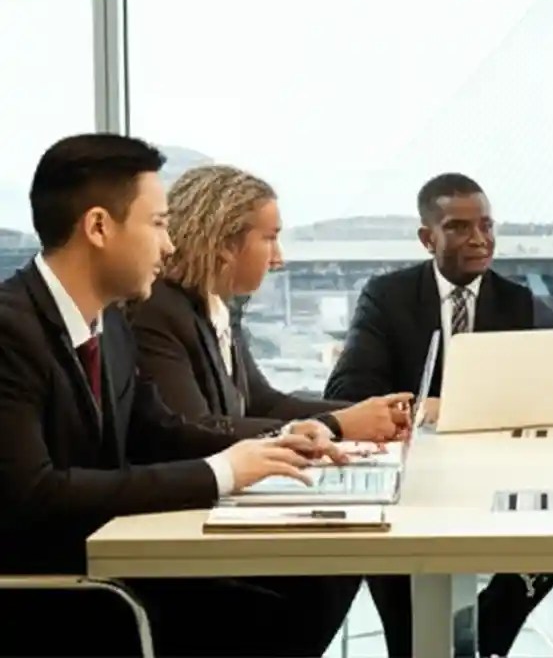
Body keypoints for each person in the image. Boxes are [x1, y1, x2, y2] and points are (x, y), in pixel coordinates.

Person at [0, 133, 355, 657]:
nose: (170, 245)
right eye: (159, 224)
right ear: (98, 226)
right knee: (285, 605)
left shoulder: (111, 325)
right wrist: (221, 472)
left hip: (110, 567)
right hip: (58, 596)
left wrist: (281, 441)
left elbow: (159, 428)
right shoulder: (10, 330)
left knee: (322, 577)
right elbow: (34, 494)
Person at [324, 173, 553, 658]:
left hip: (495, 471)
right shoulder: (387, 296)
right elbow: (348, 391)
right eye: (458, 227)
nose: (479, 239)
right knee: (404, 601)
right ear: (426, 237)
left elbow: (540, 391)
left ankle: (482, 635)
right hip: (410, 473)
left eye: (487, 225)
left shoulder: (515, 301)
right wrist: (421, 405)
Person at [129, 165, 412, 441]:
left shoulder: (216, 307)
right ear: (225, 243)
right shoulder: (157, 310)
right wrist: (333, 426)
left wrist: (365, 413)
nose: (278, 259)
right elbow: (194, 429)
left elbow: (264, 404)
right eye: (270, 238)